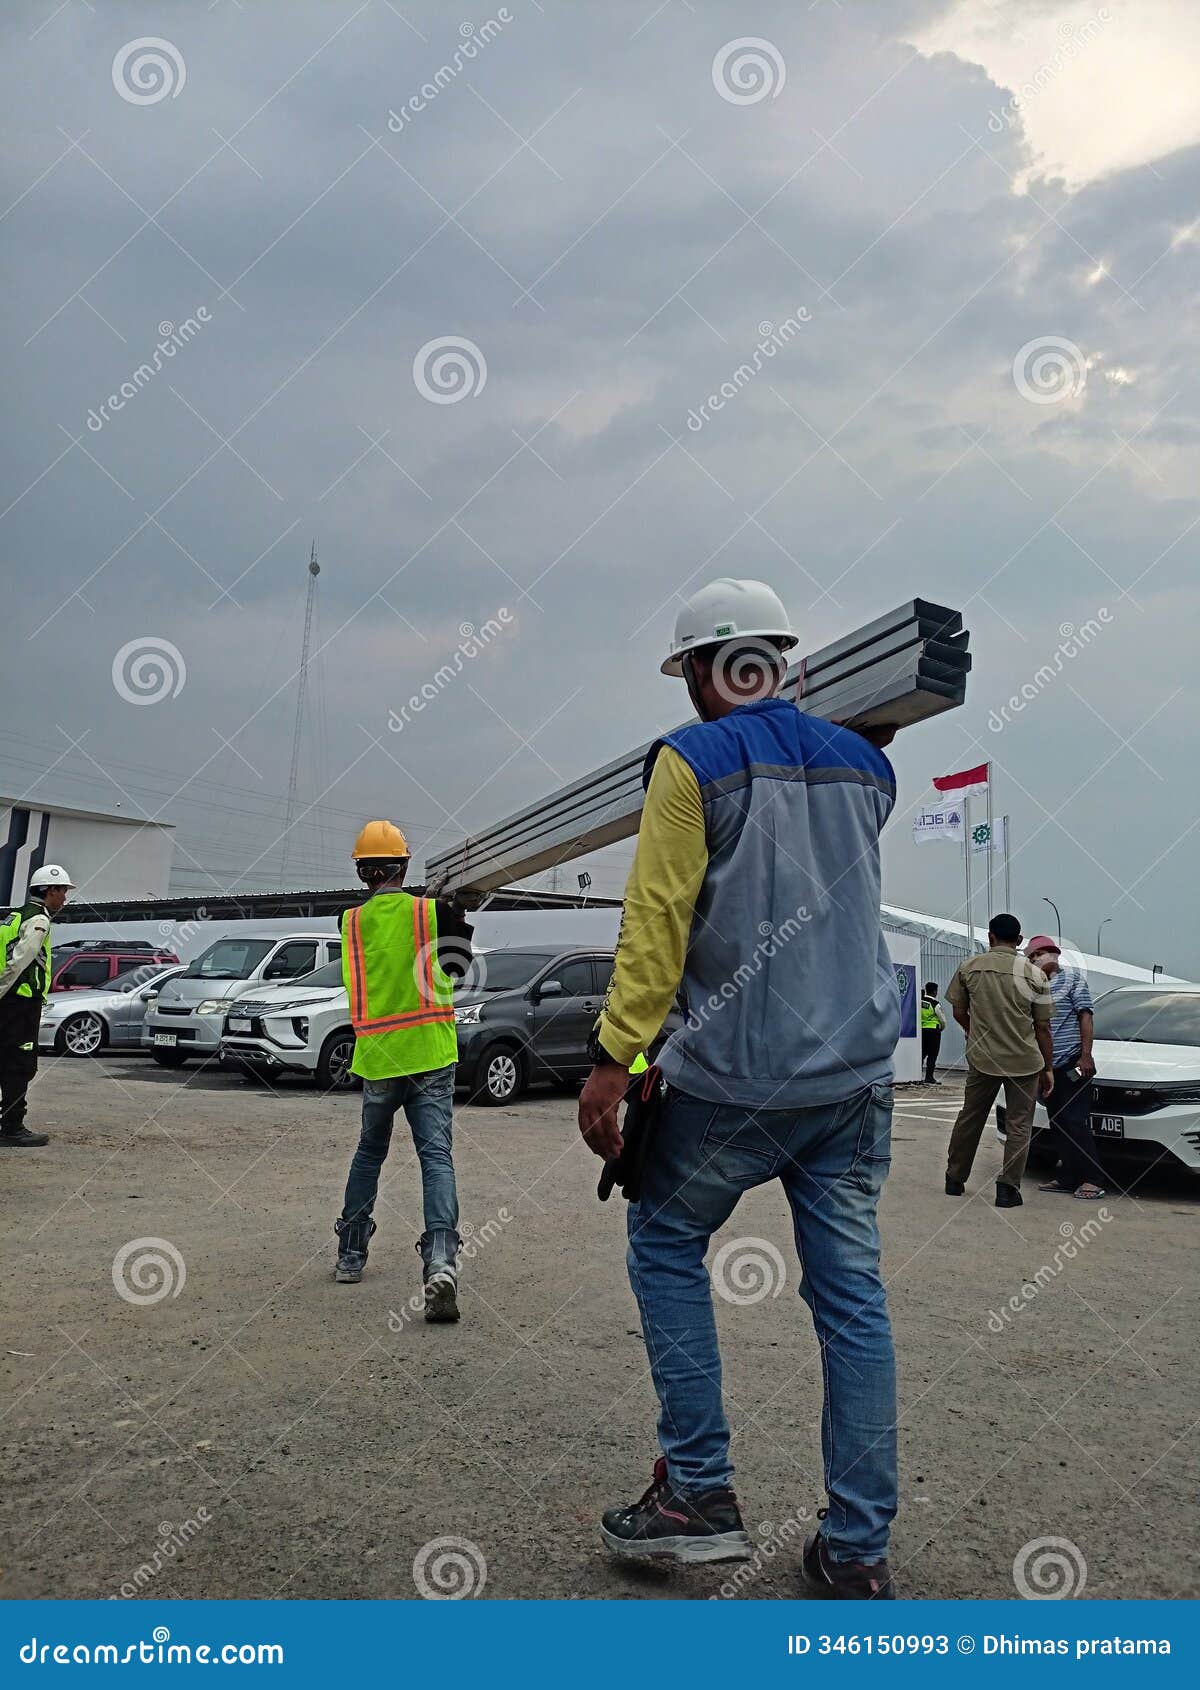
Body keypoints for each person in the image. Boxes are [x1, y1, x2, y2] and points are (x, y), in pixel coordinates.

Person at [578, 577, 900, 1600]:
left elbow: (658, 922)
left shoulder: (688, 763)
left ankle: (701, 1494)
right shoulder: (867, 768)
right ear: (780, 659)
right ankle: (857, 1546)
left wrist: (613, 1057)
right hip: (853, 1077)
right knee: (852, 1298)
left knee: (665, 1240)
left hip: (733, 1076)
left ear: (704, 677)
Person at [332, 821, 475, 1321]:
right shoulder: (431, 913)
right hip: (430, 1053)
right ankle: (441, 1260)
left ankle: (351, 1252)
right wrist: (452, 914)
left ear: (361, 872)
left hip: (377, 1057)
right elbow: (457, 969)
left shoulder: (347, 922)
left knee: (370, 1151)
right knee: (436, 1156)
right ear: (405, 865)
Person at [943, 914, 1054, 1208]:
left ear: (990, 937)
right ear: (1019, 941)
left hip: (983, 1058)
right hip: (1025, 1062)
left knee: (971, 1117)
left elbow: (957, 1010)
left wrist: (973, 1031)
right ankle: (1007, 1190)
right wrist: (1049, 1068)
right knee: (1019, 1125)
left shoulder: (970, 967)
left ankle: (955, 1179)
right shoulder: (1036, 975)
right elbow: (1043, 1028)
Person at [0, 864, 75, 1148]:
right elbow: (20, 961)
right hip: (18, 1002)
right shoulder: (38, 920)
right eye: (62, 892)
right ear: (50, 890)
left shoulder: (13, 916)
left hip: (10, 1003)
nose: (64, 899)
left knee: (5, 1061)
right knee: (20, 1064)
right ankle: (11, 1127)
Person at [1025, 936, 1103, 1200]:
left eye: (1036, 955)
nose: (1033, 961)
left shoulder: (1072, 981)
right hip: (1048, 1067)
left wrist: (1086, 1056)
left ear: (1052, 954)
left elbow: (1085, 1016)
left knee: (1074, 1119)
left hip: (1072, 1064)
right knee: (1057, 1122)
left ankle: (1093, 1179)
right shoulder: (1033, 988)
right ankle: (1068, 1177)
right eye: (1029, 958)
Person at [920, 982, 945, 1084]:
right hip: (933, 1032)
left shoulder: (919, 1001)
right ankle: (929, 1077)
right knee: (932, 1055)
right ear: (935, 991)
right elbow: (942, 1020)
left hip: (921, 1031)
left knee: (921, 1054)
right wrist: (941, 1028)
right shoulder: (935, 1004)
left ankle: (917, 1076)